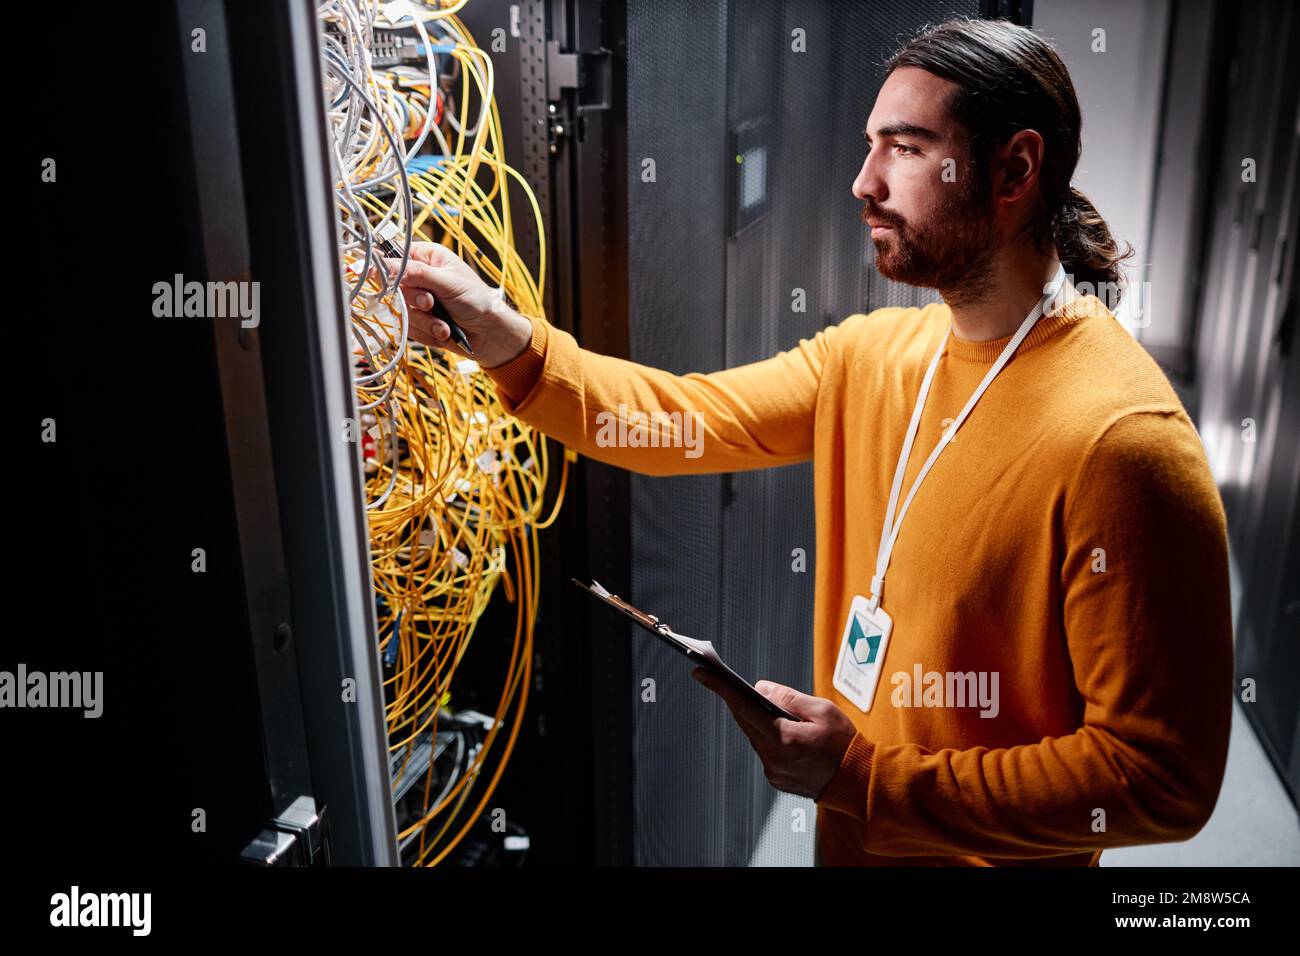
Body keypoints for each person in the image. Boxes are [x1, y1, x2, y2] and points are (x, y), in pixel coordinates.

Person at [383, 16, 1233, 867]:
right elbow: (673, 421)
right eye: (871, 145)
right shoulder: (872, 354)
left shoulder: (1122, 443)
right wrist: (503, 336)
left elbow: (1160, 778)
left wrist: (869, 782)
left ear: (1014, 167)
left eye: (903, 148)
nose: (863, 182)